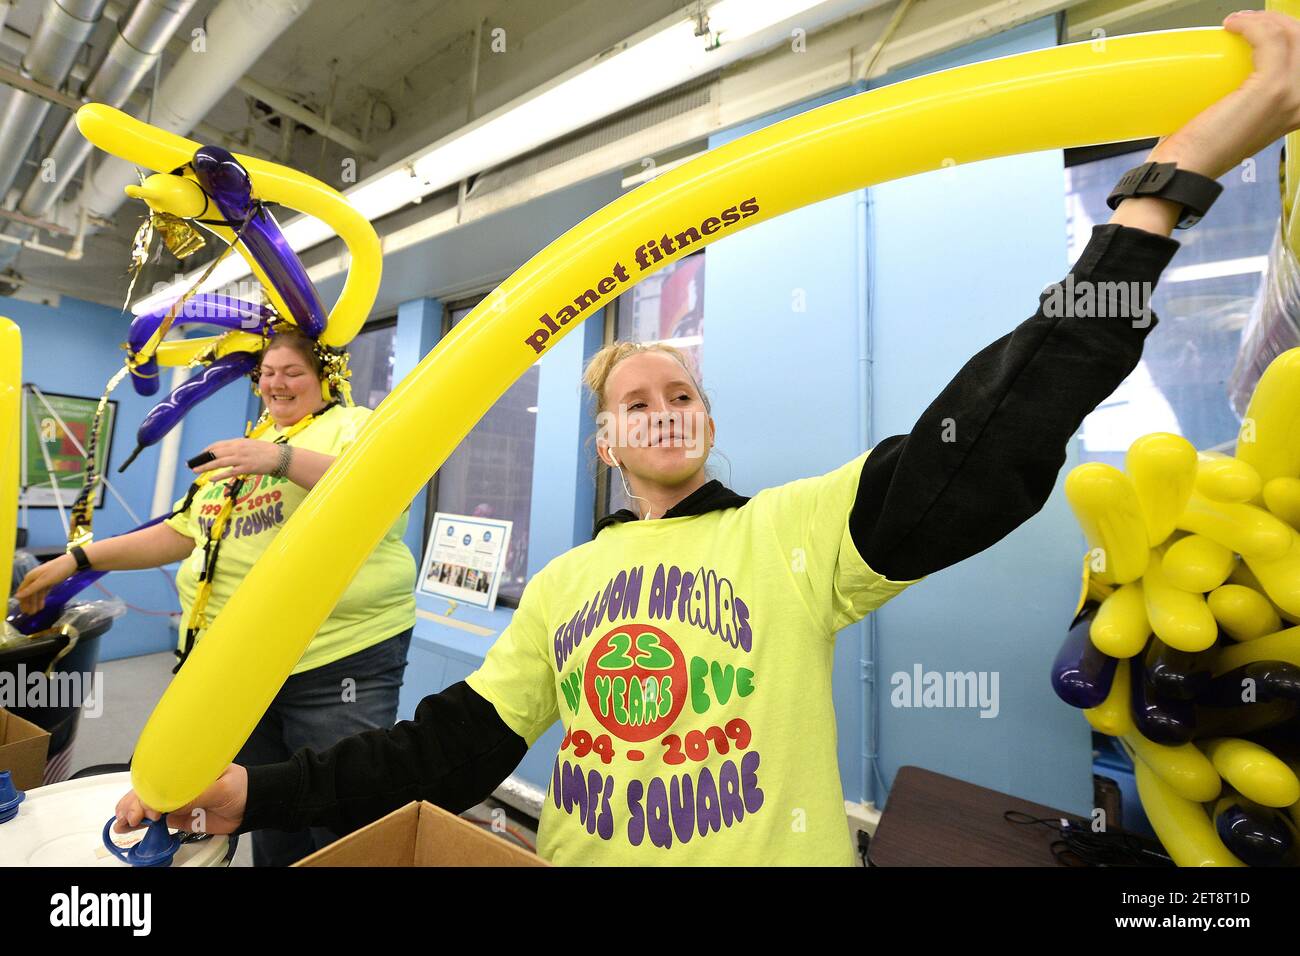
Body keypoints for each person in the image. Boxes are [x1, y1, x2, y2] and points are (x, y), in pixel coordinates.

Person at [113, 10, 1300, 865]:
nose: (658, 406)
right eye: (630, 400)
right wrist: (248, 789)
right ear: (603, 444)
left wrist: (1157, 199)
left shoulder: (792, 535)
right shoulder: (565, 584)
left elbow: (983, 445)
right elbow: (445, 750)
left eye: (675, 388)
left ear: (707, 418)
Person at [19, 327, 417, 866]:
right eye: (268, 373)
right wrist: (78, 558)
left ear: (325, 378)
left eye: (293, 372)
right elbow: (181, 533)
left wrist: (276, 459)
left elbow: (381, 486)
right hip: (239, 664)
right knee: (265, 799)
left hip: (335, 658)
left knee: (342, 813)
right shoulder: (247, 443)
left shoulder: (352, 427)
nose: (277, 383)